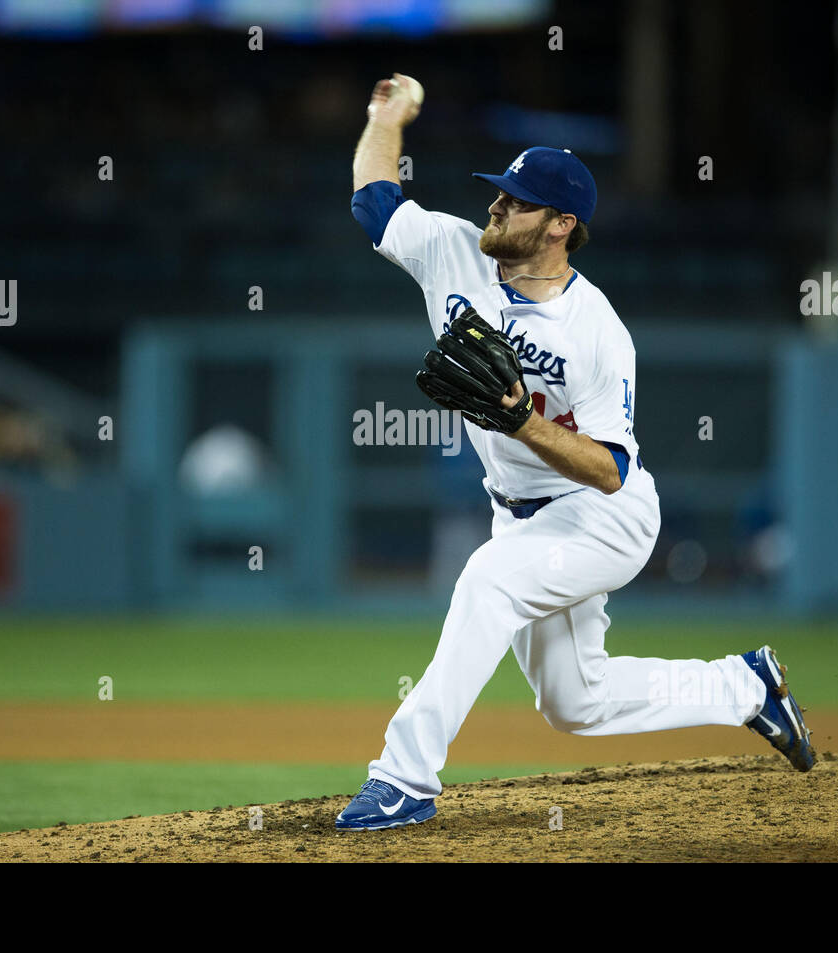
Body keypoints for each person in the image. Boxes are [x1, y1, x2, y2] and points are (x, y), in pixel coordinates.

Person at [337, 74, 814, 830]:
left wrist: (523, 421)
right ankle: (746, 686)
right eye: (497, 193)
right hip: (519, 516)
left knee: (488, 583)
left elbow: (611, 468)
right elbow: (373, 197)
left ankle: (403, 777)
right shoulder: (453, 252)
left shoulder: (596, 330)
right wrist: (386, 116)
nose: (496, 204)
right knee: (574, 701)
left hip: (602, 516)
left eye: (515, 200)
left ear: (561, 224)